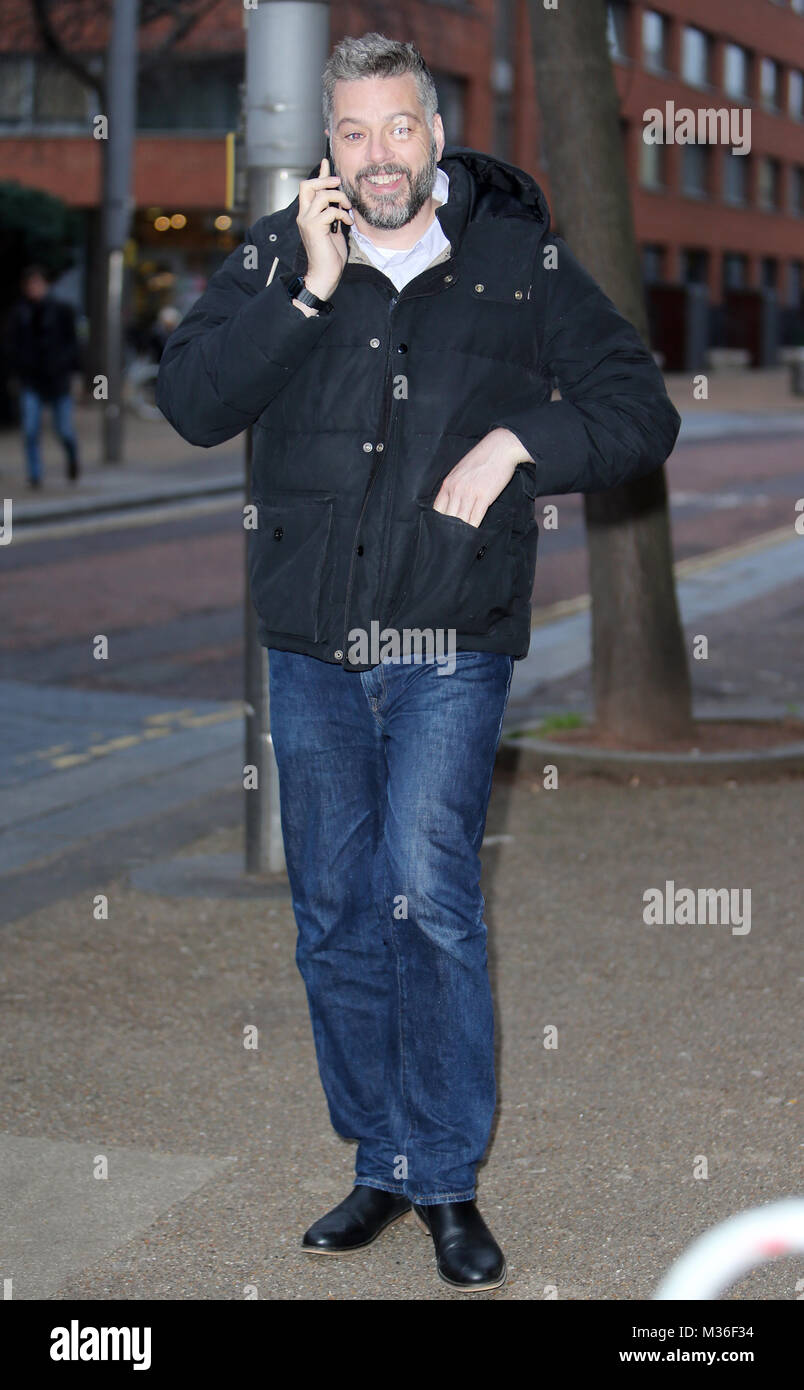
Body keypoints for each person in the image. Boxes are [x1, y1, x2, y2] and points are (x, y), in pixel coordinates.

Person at [156, 33, 681, 1293]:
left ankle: (448, 1178)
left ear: (434, 134)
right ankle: (379, 1159)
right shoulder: (284, 252)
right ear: (325, 144)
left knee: (429, 893)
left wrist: (516, 443)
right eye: (353, 133)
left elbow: (638, 408)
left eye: (399, 129)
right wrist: (304, 291)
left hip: (450, 637)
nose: (377, 157)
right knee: (334, 911)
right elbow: (190, 401)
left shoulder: (519, 257)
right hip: (315, 644)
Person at [4, 265, 82, 488]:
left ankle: (72, 458)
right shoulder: (19, 313)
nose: (34, 289)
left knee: (64, 430)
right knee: (30, 430)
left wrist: (73, 373)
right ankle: (35, 475)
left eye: (37, 283)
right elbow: (12, 346)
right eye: (30, 285)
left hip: (58, 381)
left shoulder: (62, 310)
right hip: (31, 381)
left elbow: (74, 346)